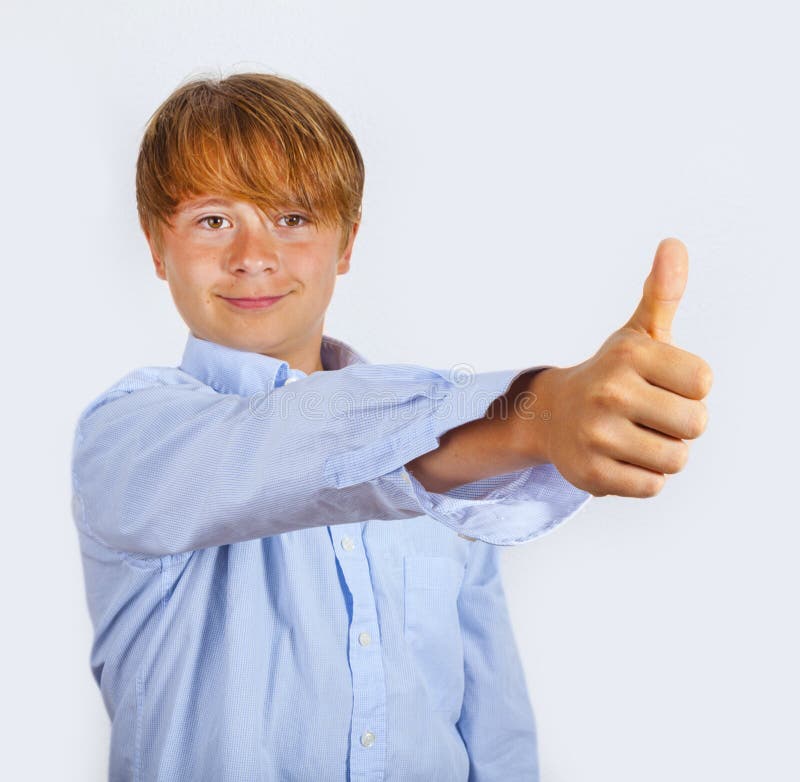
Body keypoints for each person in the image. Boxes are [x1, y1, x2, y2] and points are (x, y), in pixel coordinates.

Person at [70, 71, 713, 782]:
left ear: (346, 244)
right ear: (157, 246)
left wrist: (521, 425)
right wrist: (538, 413)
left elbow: (493, 723)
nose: (253, 255)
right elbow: (281, 441)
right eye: (213, 220)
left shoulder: (454, 460)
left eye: (292, 217)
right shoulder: (128, 437)